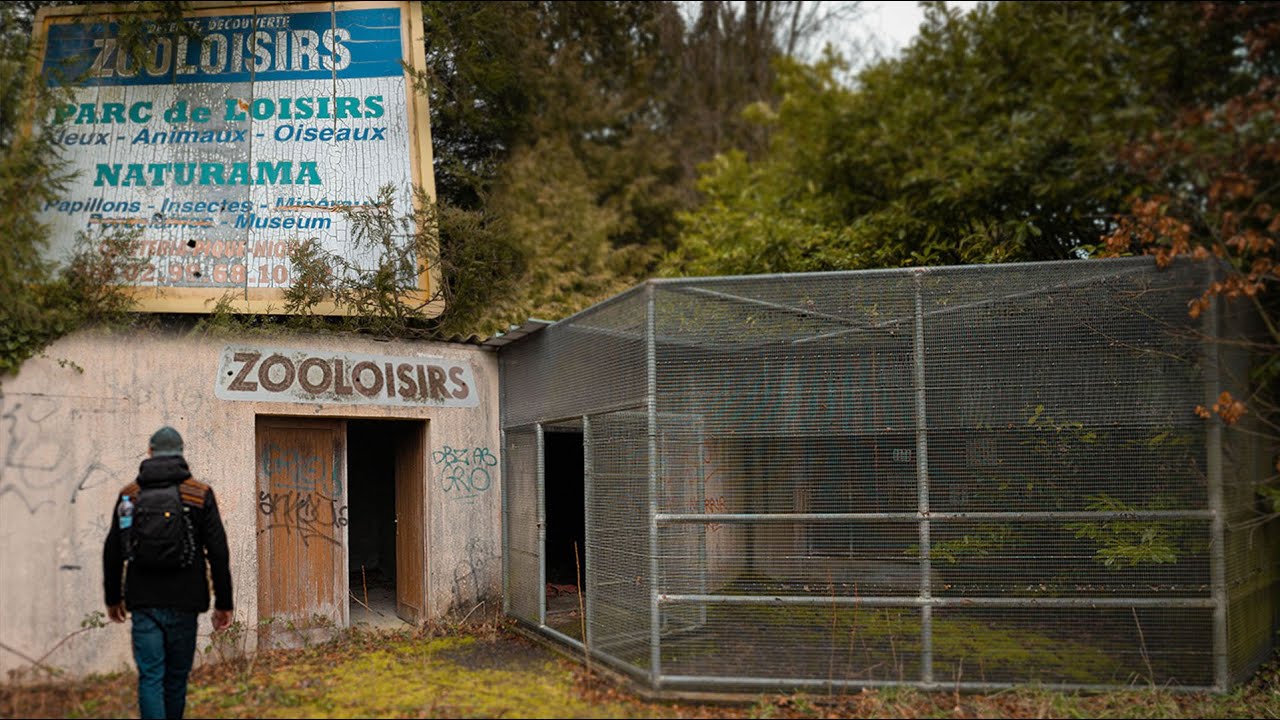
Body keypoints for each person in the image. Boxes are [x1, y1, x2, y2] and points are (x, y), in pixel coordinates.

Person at [103, 426, 234, 720]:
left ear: (149, 452)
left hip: (144, 601)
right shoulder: (199, 494)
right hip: (186, 602)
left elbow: (113, 551)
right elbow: (218, 552)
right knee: (175, 679)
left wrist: (113, 598)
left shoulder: (129, 497)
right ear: (181, 453)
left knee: (150, 678)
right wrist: (224, 603)